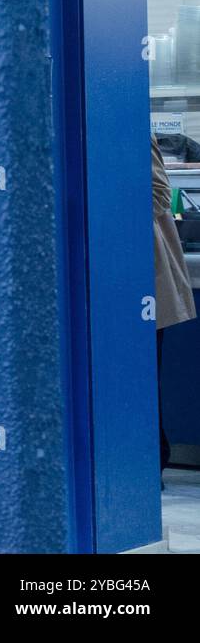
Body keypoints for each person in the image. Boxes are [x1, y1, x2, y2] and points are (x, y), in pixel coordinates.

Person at [151, 135, 197, 472]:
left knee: (143, 375)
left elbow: (159, 194)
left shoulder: (133, 127)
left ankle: (154, 459)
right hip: (108, 278)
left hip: (142, 277)